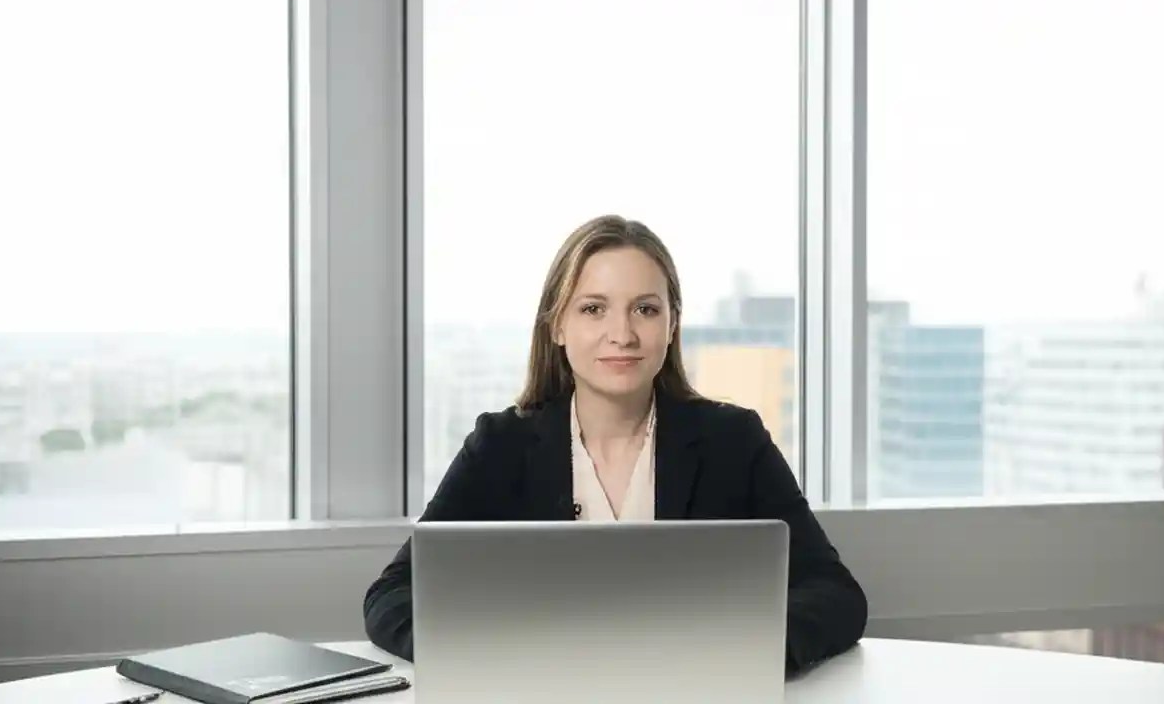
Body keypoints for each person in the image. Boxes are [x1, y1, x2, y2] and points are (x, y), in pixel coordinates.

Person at [363, 214, 867, 677]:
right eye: (593, 309)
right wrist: (499, 652)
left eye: (645, 309)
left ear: (672, 325)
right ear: (558, 325)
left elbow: (835, 592)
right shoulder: (499, 447)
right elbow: (392, 595)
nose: (621, 333)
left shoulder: (733, 442)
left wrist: (738, 653)